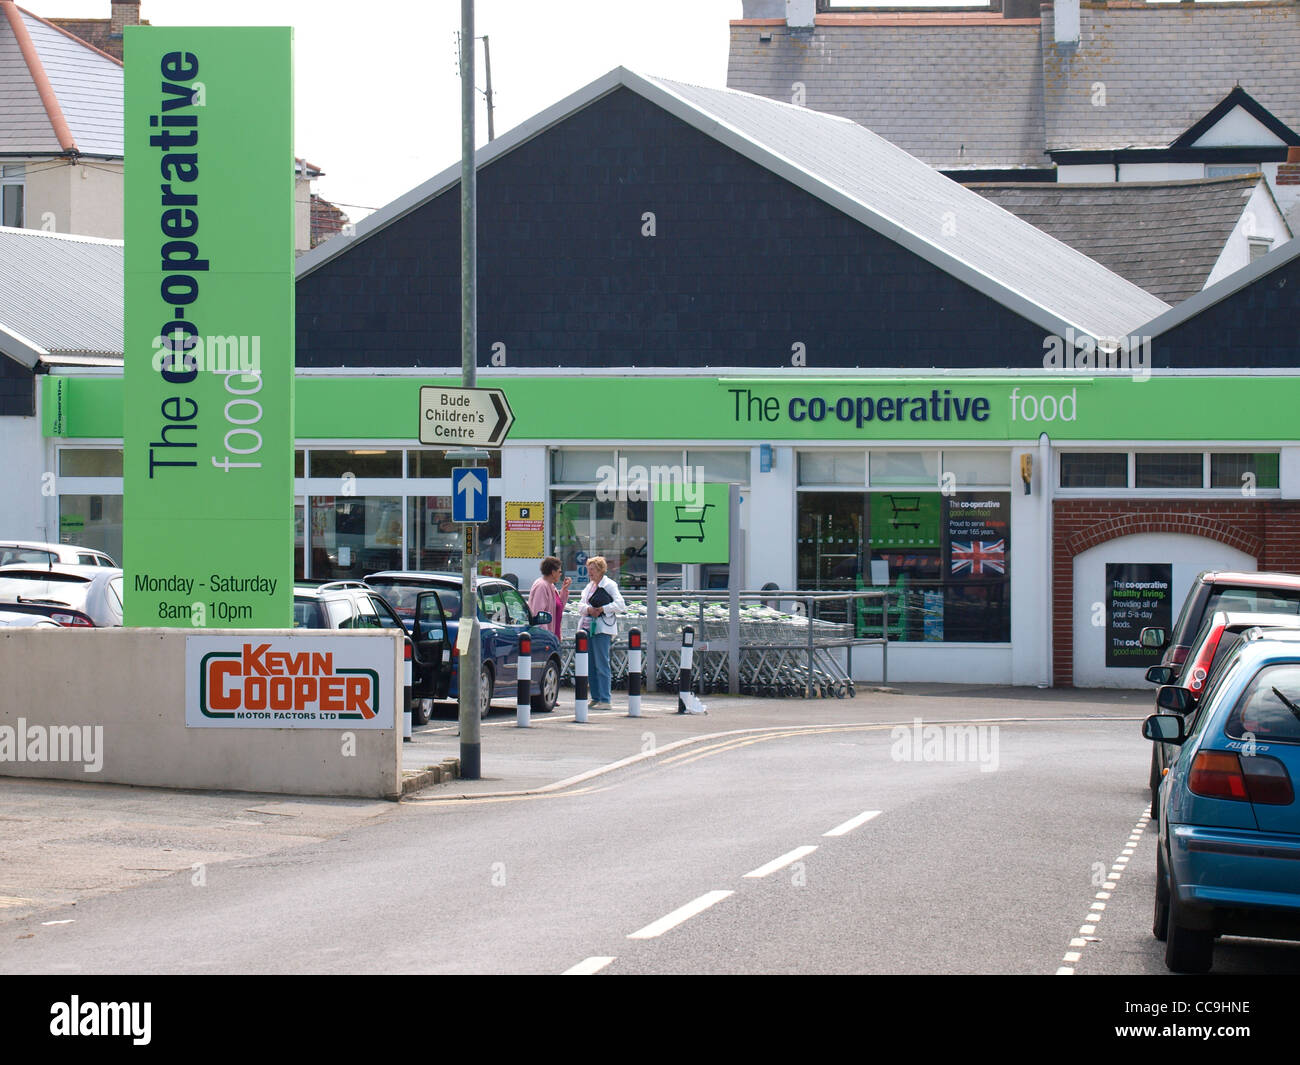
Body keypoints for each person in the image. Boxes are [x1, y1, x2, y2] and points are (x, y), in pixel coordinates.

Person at [578, 555, 625, 711]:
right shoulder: (589, 586)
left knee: (601, 663)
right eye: (588, 569)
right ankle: (596, 697)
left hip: (602, 629)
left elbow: (620, 604)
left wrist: (603, 609)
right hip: (587, 628)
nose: (589, 572)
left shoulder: (609, 585)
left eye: (592, 569)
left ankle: (605, 699)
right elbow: (580, 606)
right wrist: (589, 610)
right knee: (591, 664)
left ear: (600, 570)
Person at [527, 556, 571, 640]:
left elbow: (559, 607)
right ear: (553, 572)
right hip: (545, 638)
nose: (561, 574)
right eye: (559, 571)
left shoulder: (551, 585)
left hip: (553, 635)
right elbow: (538, 615)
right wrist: (546, 637)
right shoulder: (541, 586)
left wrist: (564, 589)